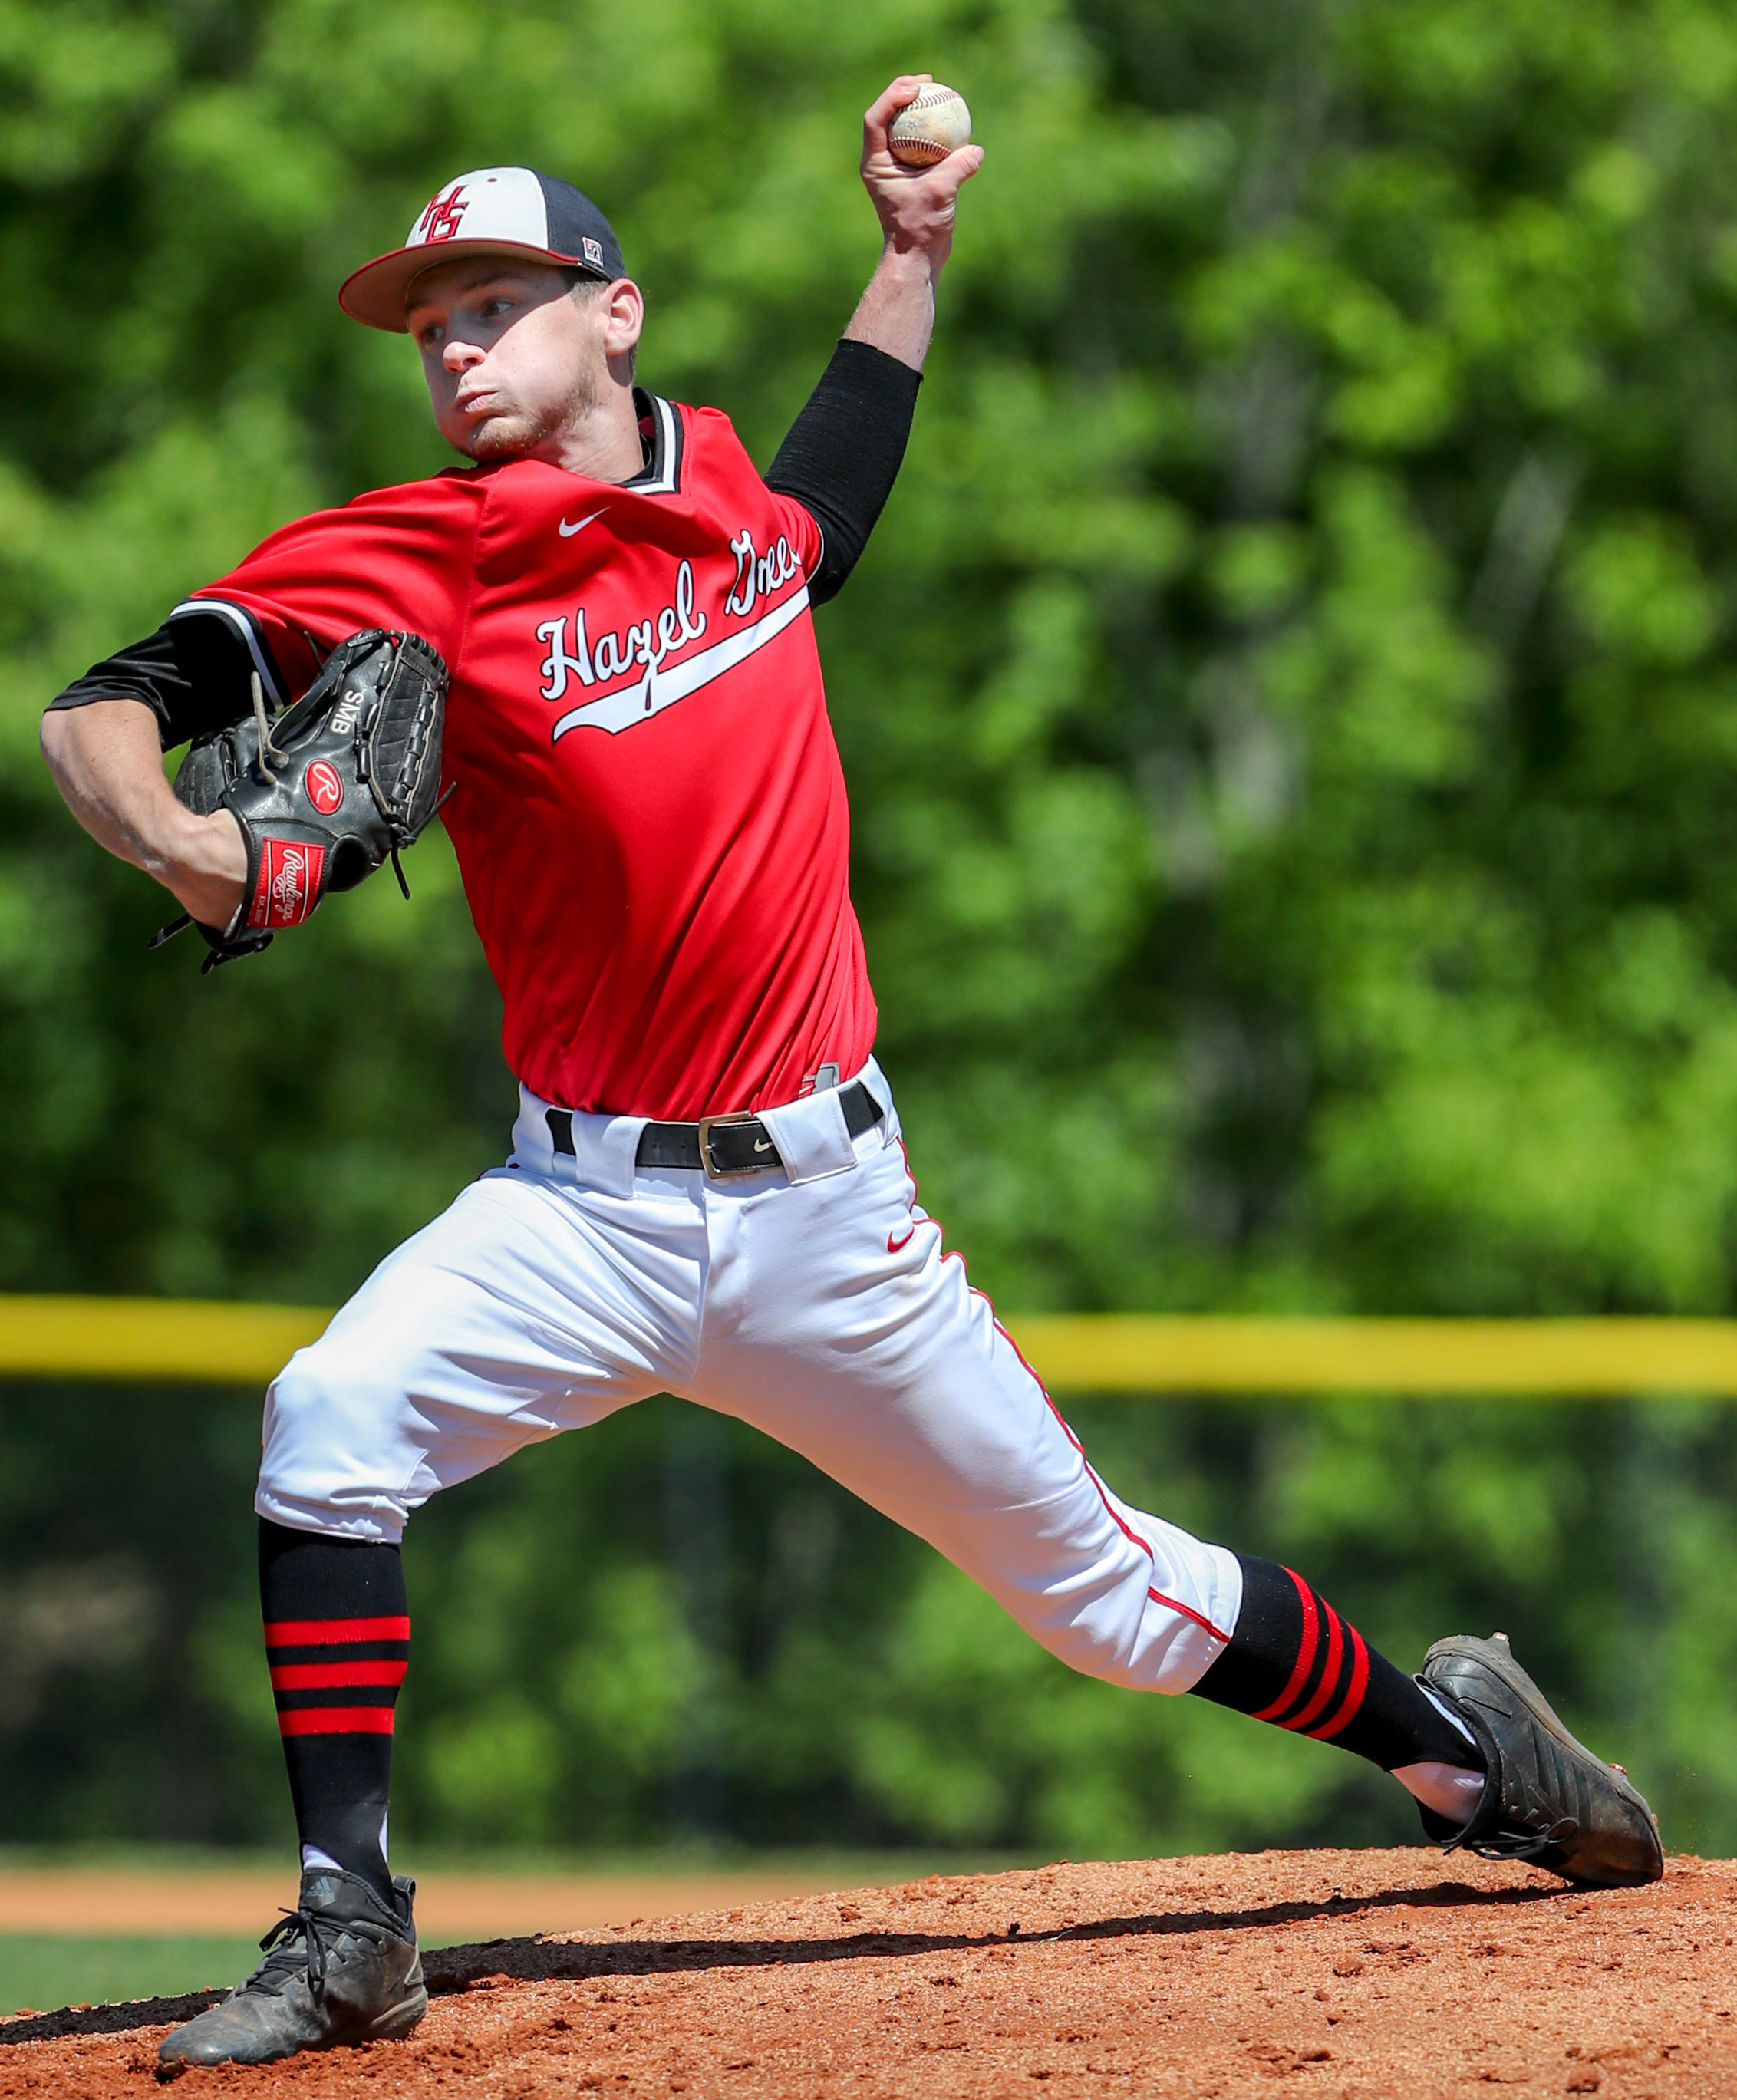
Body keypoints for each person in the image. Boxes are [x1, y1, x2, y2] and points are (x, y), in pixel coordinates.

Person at [40, 77, 1661, 2076]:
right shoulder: (417, 557)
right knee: (329, 1420)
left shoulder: (733, 497)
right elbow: (103, 709)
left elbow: (841, 488)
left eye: (496, 300)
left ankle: (1468, 1761)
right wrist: (189, 844)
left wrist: (913, 251)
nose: (453, 344)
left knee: (1109, 1605)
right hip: (577, 1212)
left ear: (614, 313)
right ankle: (351, 1924)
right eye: (431, 320)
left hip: (829, 1217)